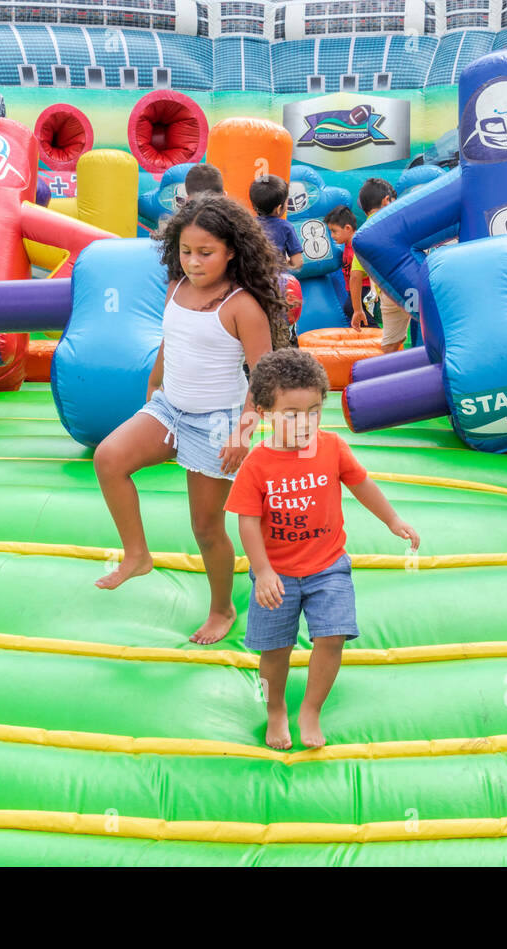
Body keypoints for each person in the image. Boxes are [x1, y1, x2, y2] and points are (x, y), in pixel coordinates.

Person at [91, 195, 291, 645]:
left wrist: (244, 433)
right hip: (169, 407)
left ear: (231, 251)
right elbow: (171, 338)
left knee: (205, 528)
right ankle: (137, 554)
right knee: (108, 458)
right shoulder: (176, 286)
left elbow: (263, 377)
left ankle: (221, 609)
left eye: (206, 253)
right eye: (185, 251)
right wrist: (154, 382)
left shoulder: (242, 306)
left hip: (216, 422)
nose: (194, 262)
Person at [225, 349, 419, 750]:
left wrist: (393, 520)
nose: (305, 423)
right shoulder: (258, 465)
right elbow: (246, 520)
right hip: (276, 573)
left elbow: (361, 484)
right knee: (274, 652)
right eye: (292, 413)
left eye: (314, 411)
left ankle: (310, 709)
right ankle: (275, 709)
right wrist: (262, 571)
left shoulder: (331, 448)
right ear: (263, 413)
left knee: (332, 637)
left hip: (328, 565)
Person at [351, 178, 415, 353]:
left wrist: (357, 310)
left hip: (389, 294)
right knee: (432, 325)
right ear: (387, 200)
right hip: (412, 284)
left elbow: (355, 275)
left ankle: (387, 376)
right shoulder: (396, 221)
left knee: (392, 342)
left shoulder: (363, 235)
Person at [249, 174, 303, 271]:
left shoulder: (247, 225)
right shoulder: (286, 227)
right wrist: (284, 265)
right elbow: (297, 262)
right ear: (278, 209)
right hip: (276, 281)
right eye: (287, 202)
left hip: (252, 279)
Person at [323, 204, 368, 321]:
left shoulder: (356, 246)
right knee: (352, 310)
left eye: (334, 231)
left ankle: (377, 334)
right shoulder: (347, 245)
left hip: (363, 288)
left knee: (353, 309)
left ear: (348, 228)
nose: (332, 236)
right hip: (354, 289)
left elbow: (361, 273)